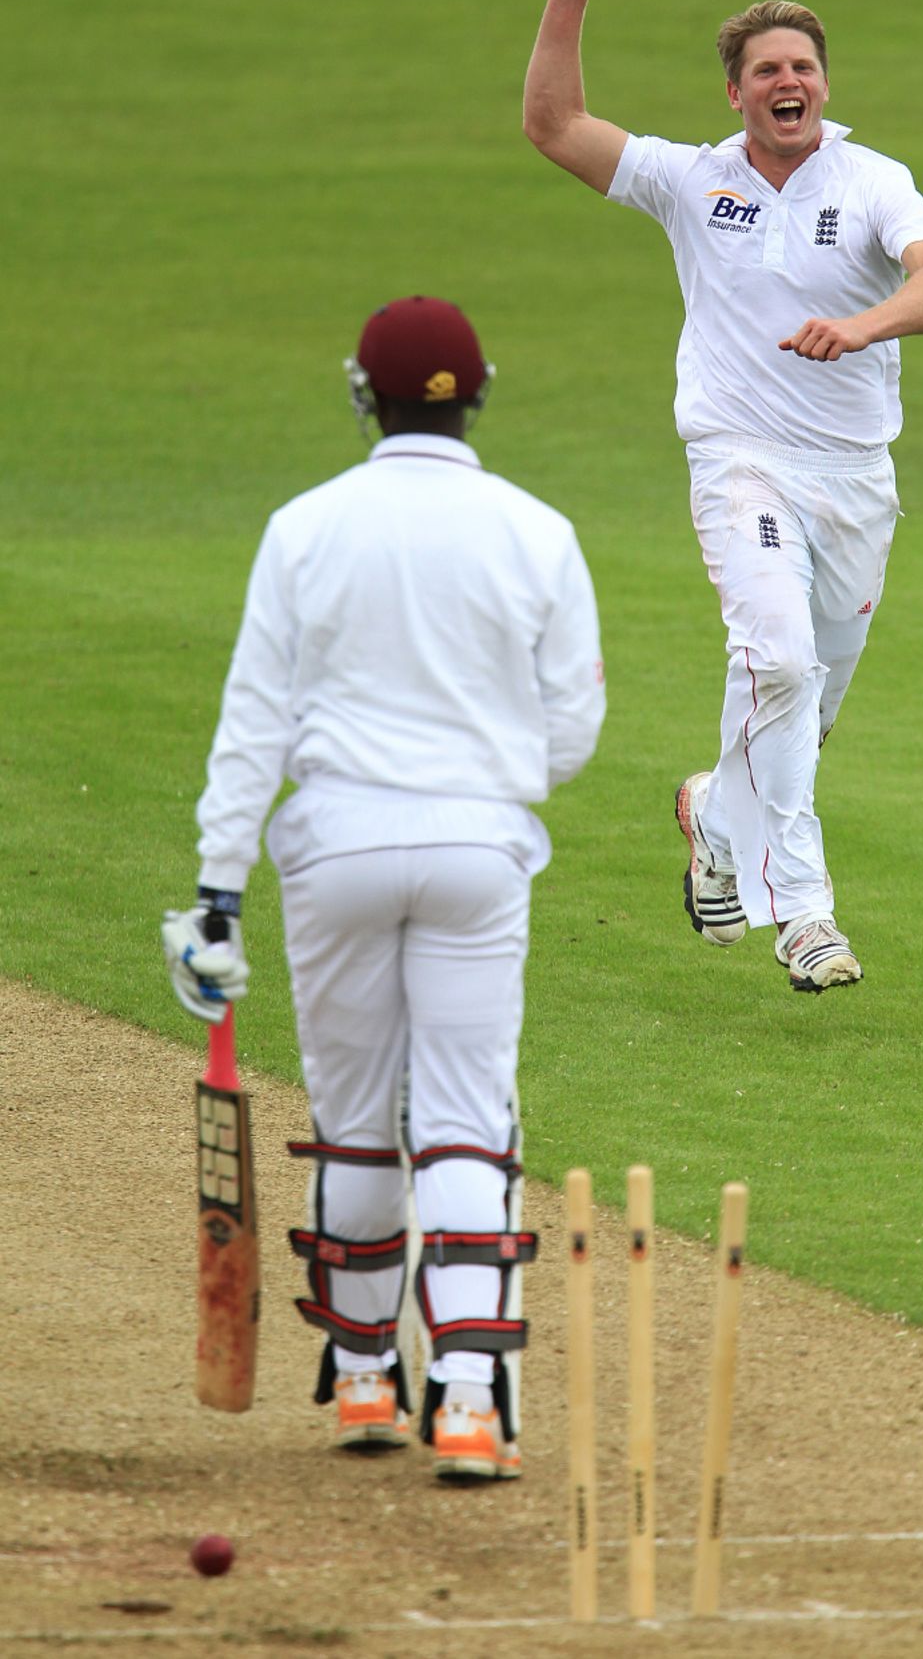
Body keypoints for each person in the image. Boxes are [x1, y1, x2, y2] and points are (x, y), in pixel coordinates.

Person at [162, 296, 605, 1480]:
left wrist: (217, 888)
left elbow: (253, 721)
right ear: (482, 392)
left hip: (337, 848)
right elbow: (573, 727)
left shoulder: (305, 526)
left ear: (365, 396)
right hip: (478, 848)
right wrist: (490, 776)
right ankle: (467, 1401)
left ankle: (364, 1379)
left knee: (356, 1123)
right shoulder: (539, 529)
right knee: (466, 1116)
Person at [523, 0, 923, 993]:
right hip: (741, 462)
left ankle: (714, 814)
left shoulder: (872, 182)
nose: (789, 81)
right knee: (775, 662)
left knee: (803, 710)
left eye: (804, 67)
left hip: (854, 479)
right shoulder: (693, 179)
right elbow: (555, 126)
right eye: (768, 68)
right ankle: (806, 916)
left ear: (824, 84)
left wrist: (860, 326)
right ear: (736, 92)